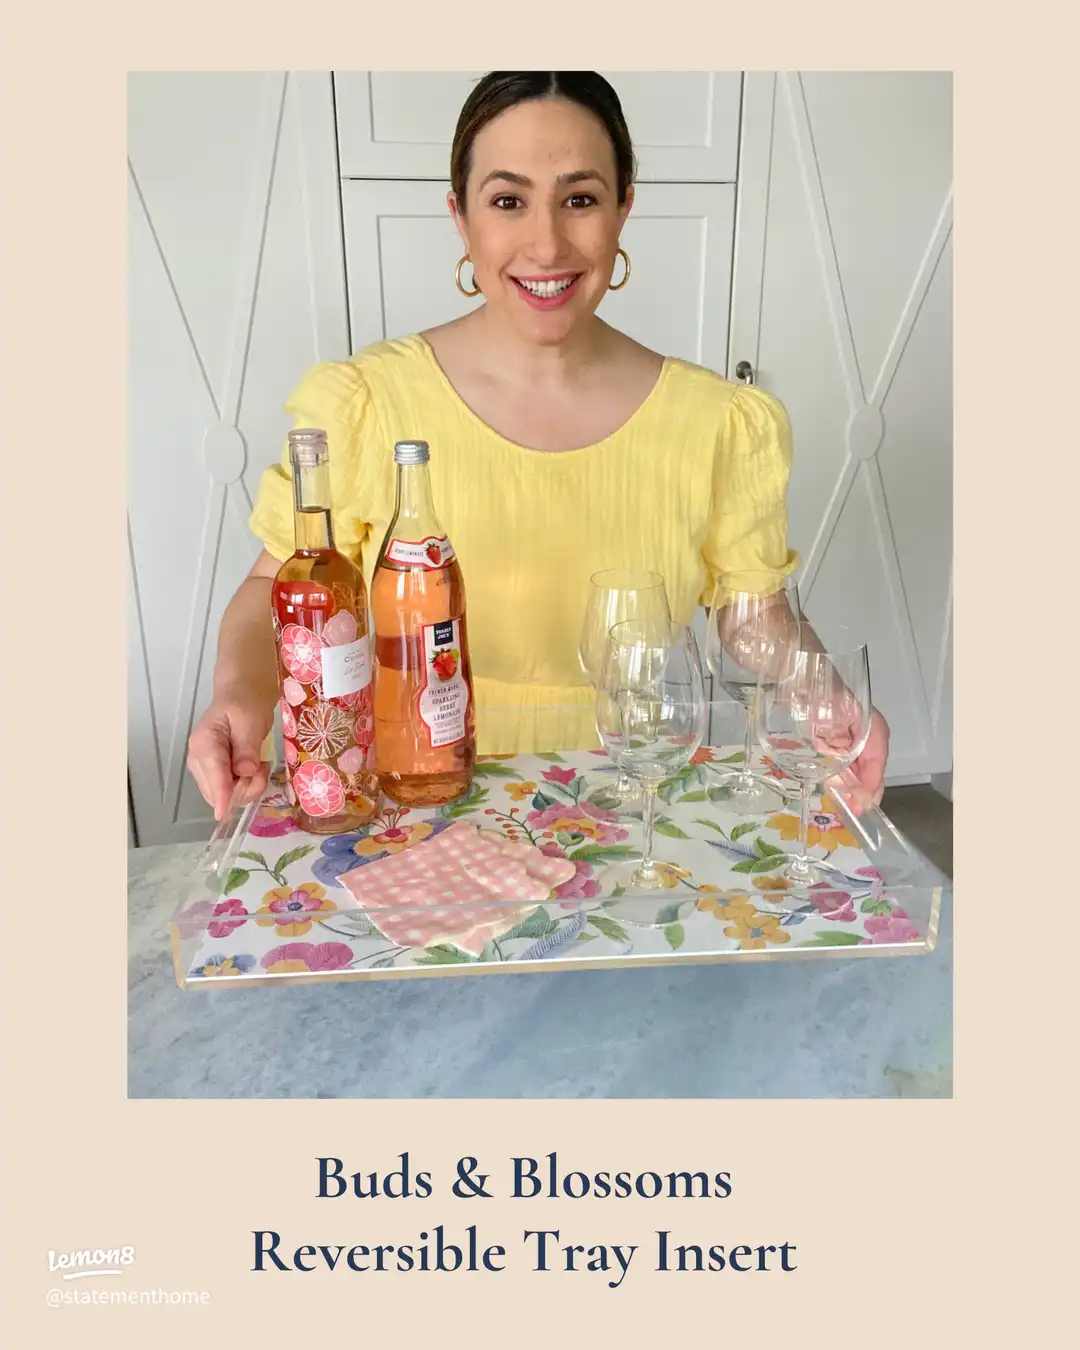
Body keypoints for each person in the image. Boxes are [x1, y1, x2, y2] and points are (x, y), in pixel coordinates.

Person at [187, 70, 890, 822]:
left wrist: (826, 695)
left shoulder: (719, 422)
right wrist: (237, 694)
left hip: (621, 792)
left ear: (623, 209)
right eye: (507, 201)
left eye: (580, 199)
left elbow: (752, 615)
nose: (548, 244)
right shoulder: (366, 403)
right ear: (461, 218)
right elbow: (274, 587)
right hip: (405, 797)